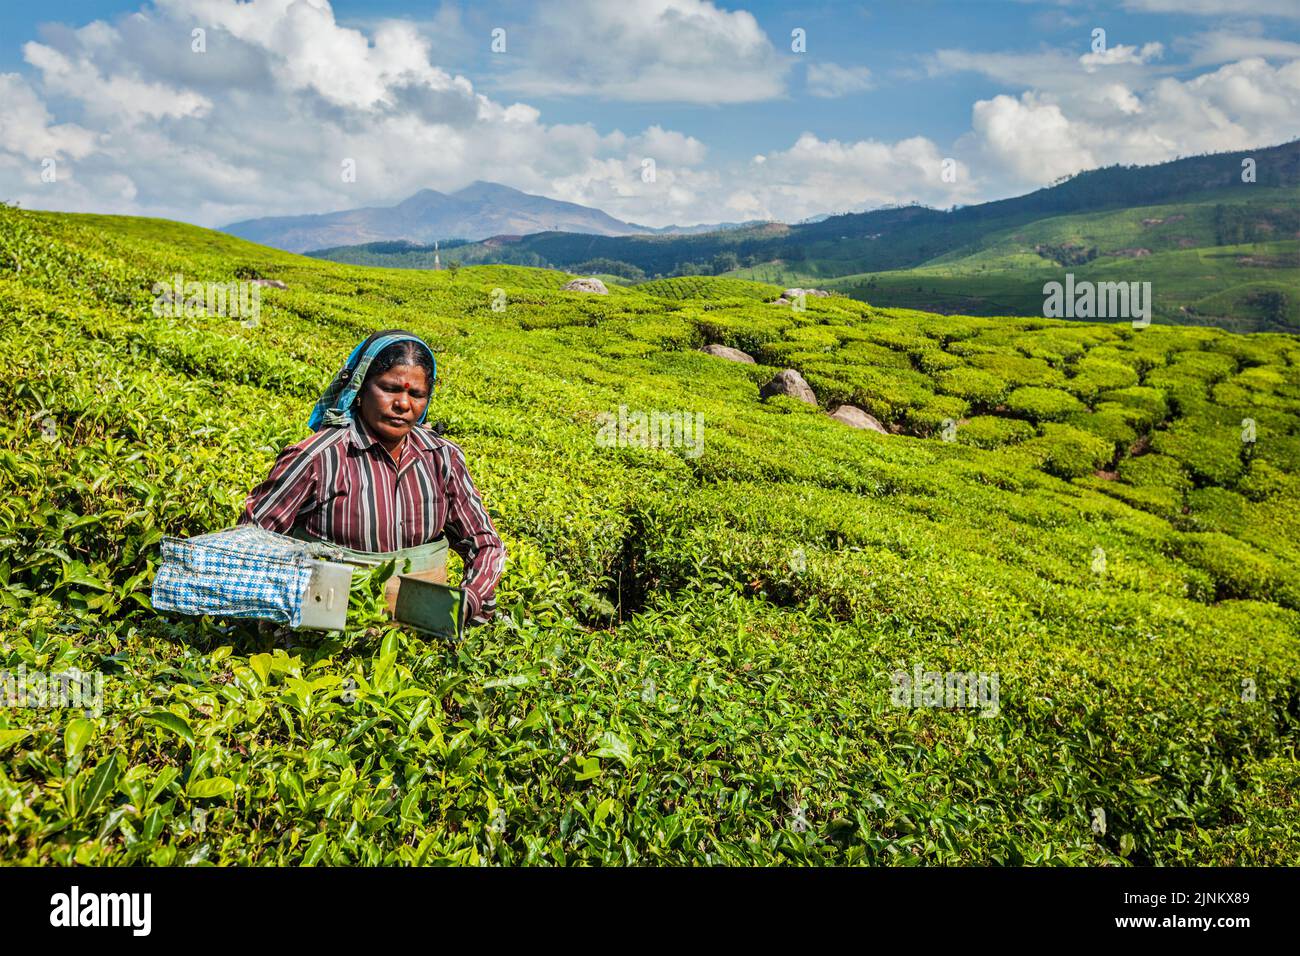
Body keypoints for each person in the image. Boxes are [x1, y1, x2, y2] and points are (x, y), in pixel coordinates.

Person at [238, 329, 505, 628]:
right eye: (390, 389)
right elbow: (250, 540)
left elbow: (485, 543)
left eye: (416, 394)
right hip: (320, 642)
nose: (403, 404)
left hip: (419, 639)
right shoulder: (317, 457)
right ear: (360, 388)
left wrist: (469, 599)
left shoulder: (442, 458)